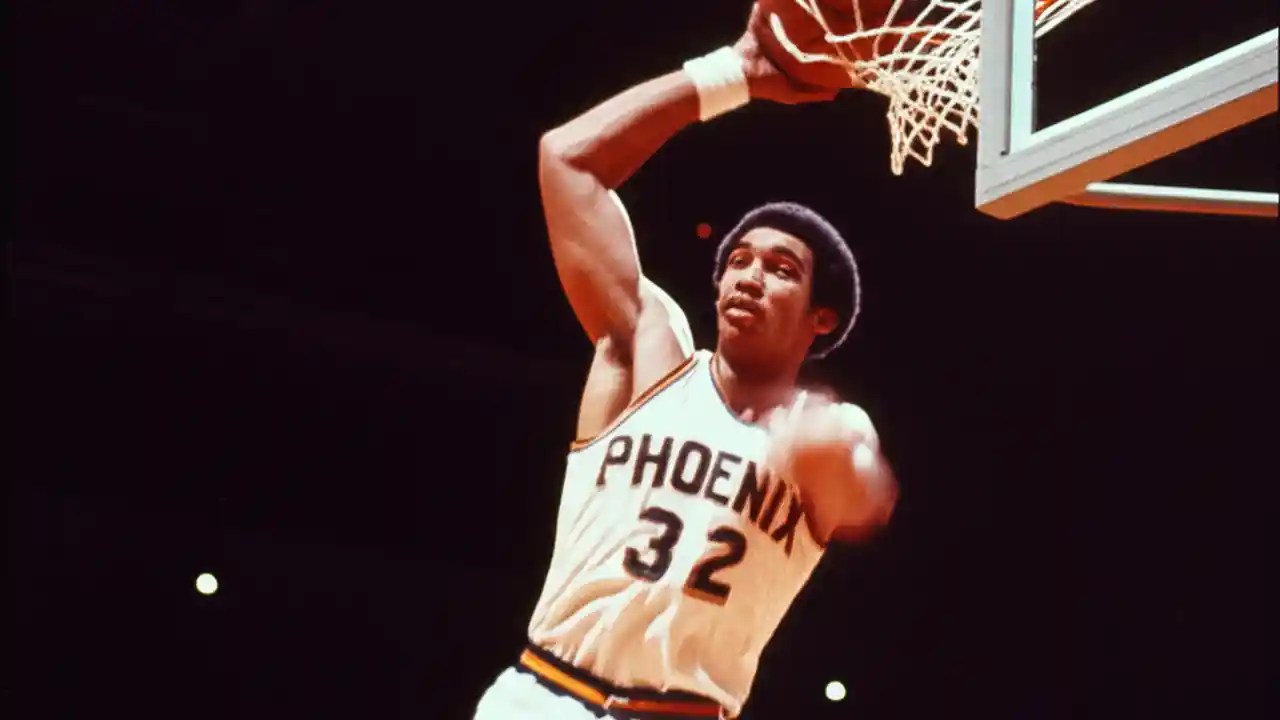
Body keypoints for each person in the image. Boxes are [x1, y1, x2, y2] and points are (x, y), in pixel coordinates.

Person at [473, 5, 898, 719]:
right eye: (739, 261)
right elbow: (566, 160)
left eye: (781, 269)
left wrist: (832, 461)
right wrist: (734, 74)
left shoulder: (832, 423)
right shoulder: (649, 352)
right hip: (545, 693)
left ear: (821, 317)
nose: (749, 277)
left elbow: (863, 497)